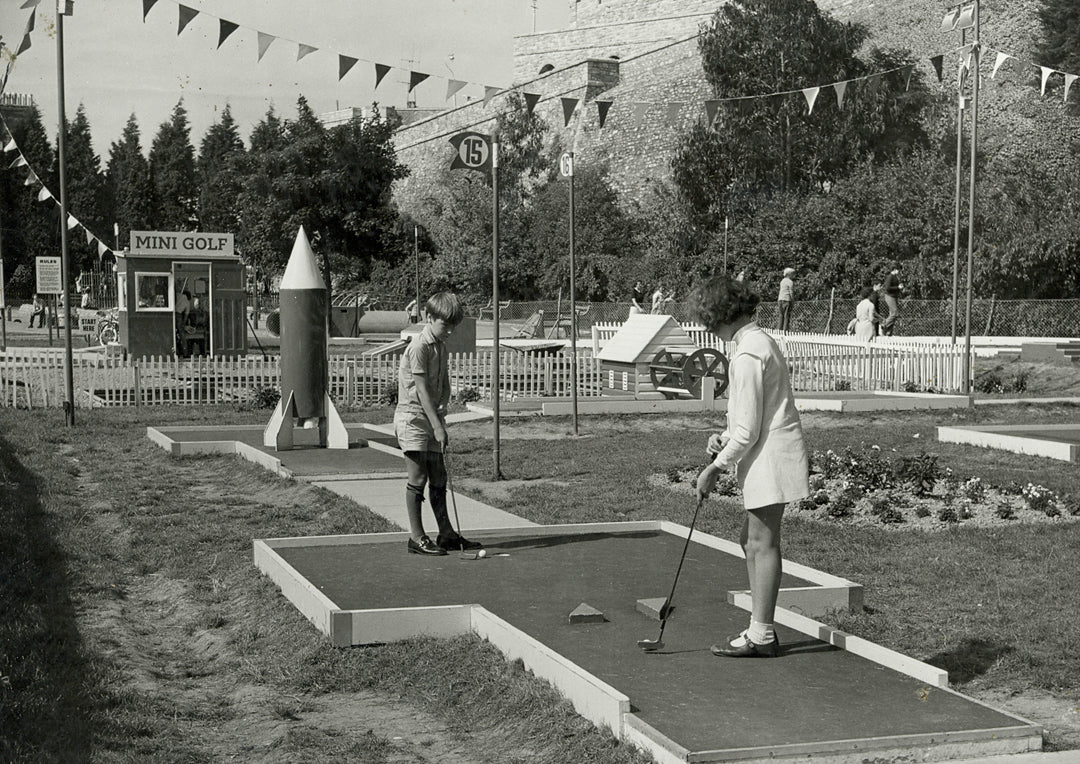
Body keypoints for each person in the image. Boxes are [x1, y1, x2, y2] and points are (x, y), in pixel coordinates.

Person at [692, 275, 809, 658]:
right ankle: (761, 631)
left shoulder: (746, 354)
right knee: (753, 541)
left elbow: (749, 428)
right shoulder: (758, 343)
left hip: (770, 457)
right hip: (768, 451)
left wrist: (714, 468)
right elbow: (747, 420)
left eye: (708, 317)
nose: (708, 325)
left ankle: (762, 634)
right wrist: (723, 438)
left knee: (761, 542)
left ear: (719, 314)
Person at [394, 292, 482, 556]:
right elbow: (420, 390)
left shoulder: (440, 346)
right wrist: (438, 427)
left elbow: (442, 382)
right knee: (418, 477)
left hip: (432, 418)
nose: (451, 330)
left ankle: (446, 534)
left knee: (439, 475)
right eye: (446, 324)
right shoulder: (419, 346)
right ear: (428, 317)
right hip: (414, 420)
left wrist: (443, 406)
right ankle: (417, 537)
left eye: (454, 325)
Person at [880, 266, 902, 336]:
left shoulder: (895, 277)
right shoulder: (890, 277)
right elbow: (887, 288)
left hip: (894, 296)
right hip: (890, 296)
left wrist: (899, 287)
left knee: (892, 314)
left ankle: (888, 332)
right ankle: (883, 325)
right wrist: (897, 287)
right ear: (895, 269)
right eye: (898, 270)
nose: (899, 272)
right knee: (895, 313)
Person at [776, 267, 795, 331]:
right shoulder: (790, 282)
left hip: (780, 299)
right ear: (789, 274)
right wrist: (793, 301)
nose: (793, 275)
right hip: (787, 300)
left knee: (781, 315)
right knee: (786, 316)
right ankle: (785, 331)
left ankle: (779, 330)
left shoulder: (782, 281)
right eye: (792, 274)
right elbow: (791, 292)